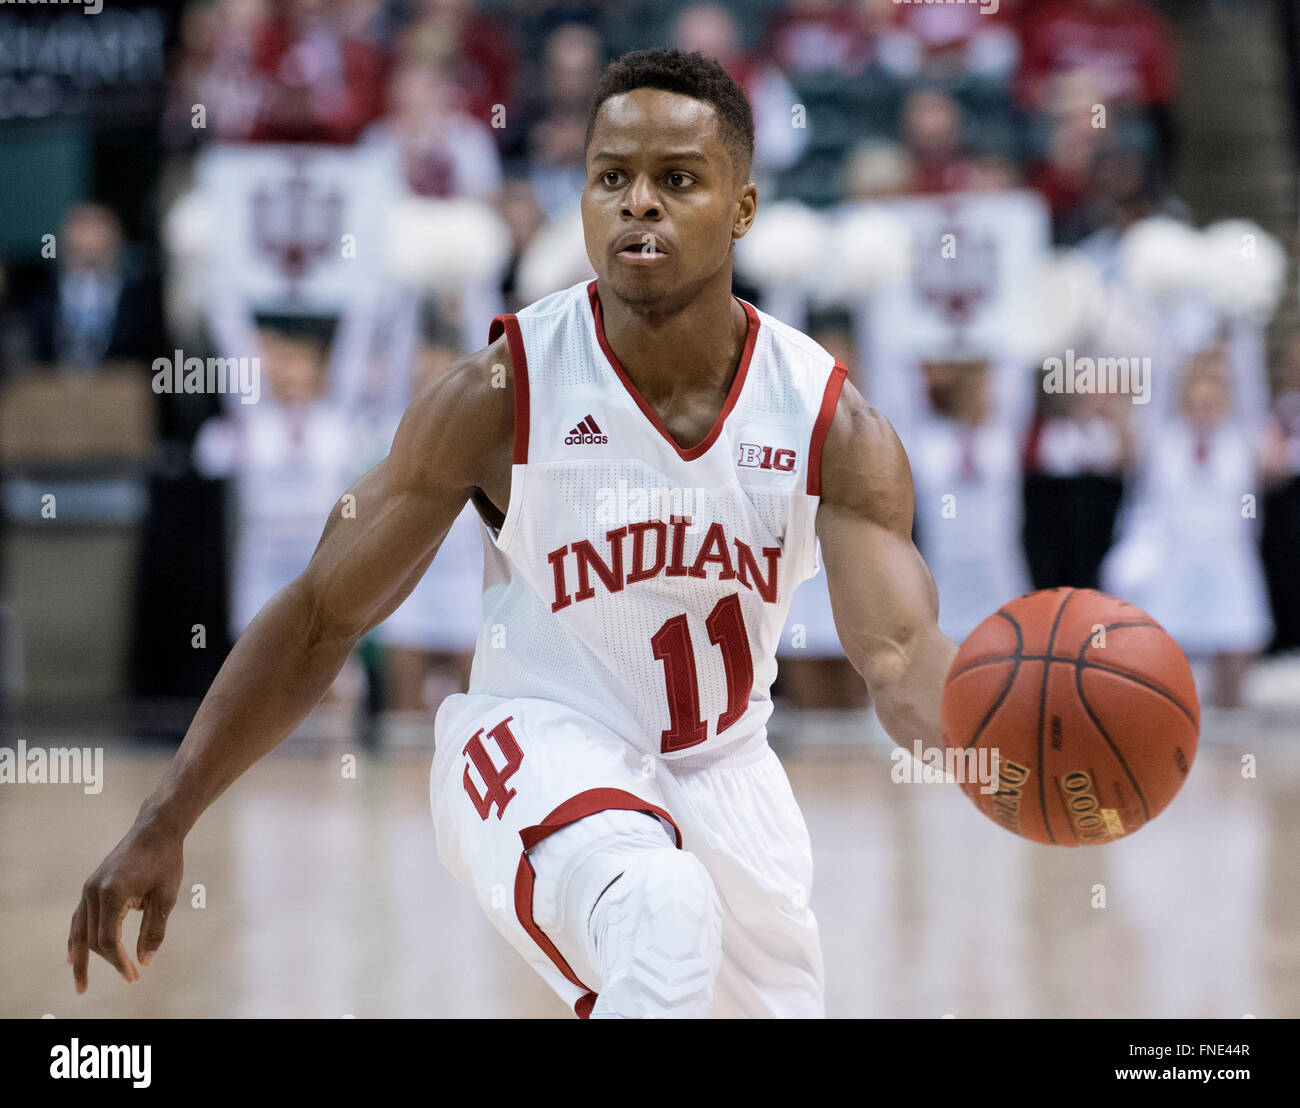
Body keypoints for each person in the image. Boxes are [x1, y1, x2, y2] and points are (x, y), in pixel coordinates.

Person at [68, 49, 958, 1019]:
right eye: (611, 177)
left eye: (677, 179)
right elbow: (323, 611)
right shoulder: (501, 392)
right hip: (533, 747)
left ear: (742, 207)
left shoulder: (828, 421)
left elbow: (899, 658)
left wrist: (1002, 745)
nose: (638, 204)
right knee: (662, 912)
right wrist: (167, 814)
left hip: (726, 782)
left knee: (684, 929)